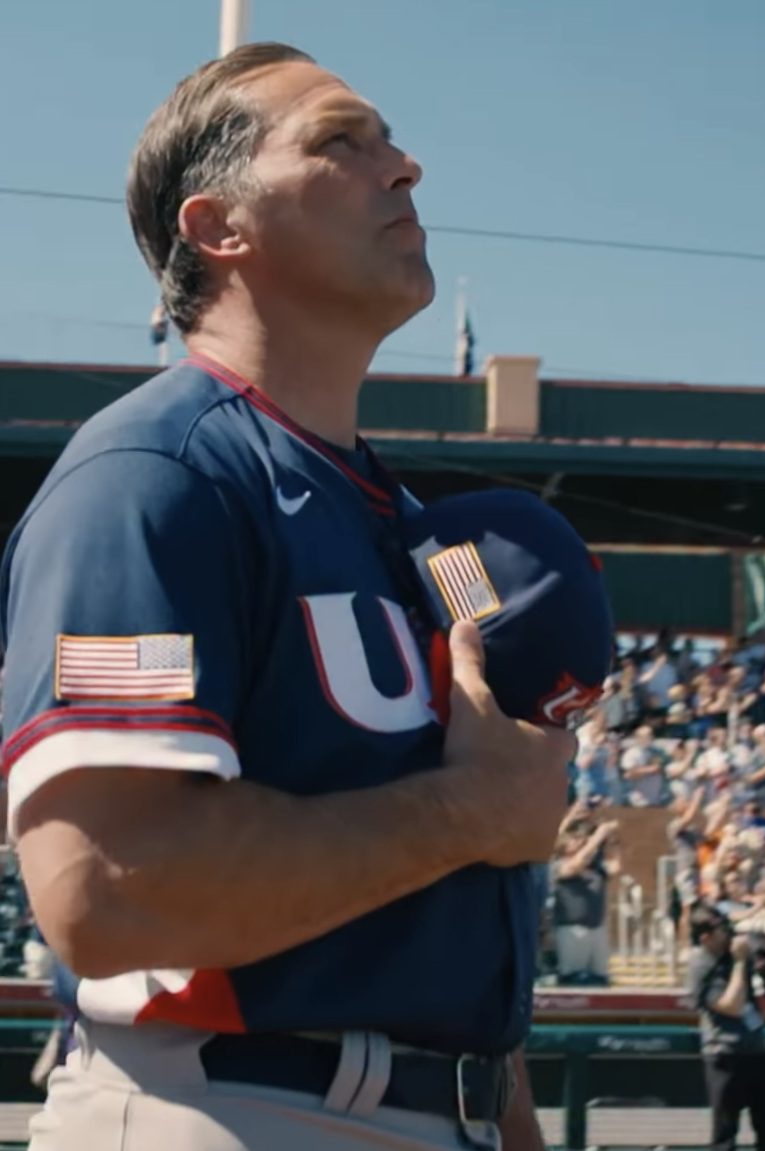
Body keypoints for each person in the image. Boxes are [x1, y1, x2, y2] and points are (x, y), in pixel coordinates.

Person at [0, 44, 600, 1151]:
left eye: (391, 140)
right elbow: (105, 890)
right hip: (222, 1103)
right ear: (218, 227)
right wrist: (467, 812)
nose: (406, 166)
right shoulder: (147, 474)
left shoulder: (415, 523)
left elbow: (462, 893)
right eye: (342, 140)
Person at [685, 907, 765, 1151]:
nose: (728, 933)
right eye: (721, 929)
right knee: (725, 1135)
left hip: (757, 1051)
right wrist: (740, 963)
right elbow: (731, 1006)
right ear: (705, 937)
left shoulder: (737, 953)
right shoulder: (700, 963)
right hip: (725, 1054)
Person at [551, 816, 620, 986]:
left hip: (597, 928)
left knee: (600, 979)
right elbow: (575, 865)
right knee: (573, 978)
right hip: (571, 929)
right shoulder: (559, 865)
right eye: (575, 840)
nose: (580, 843)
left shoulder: (596, 868)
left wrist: (613, 841)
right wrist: (596, 838)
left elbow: (615, 868)